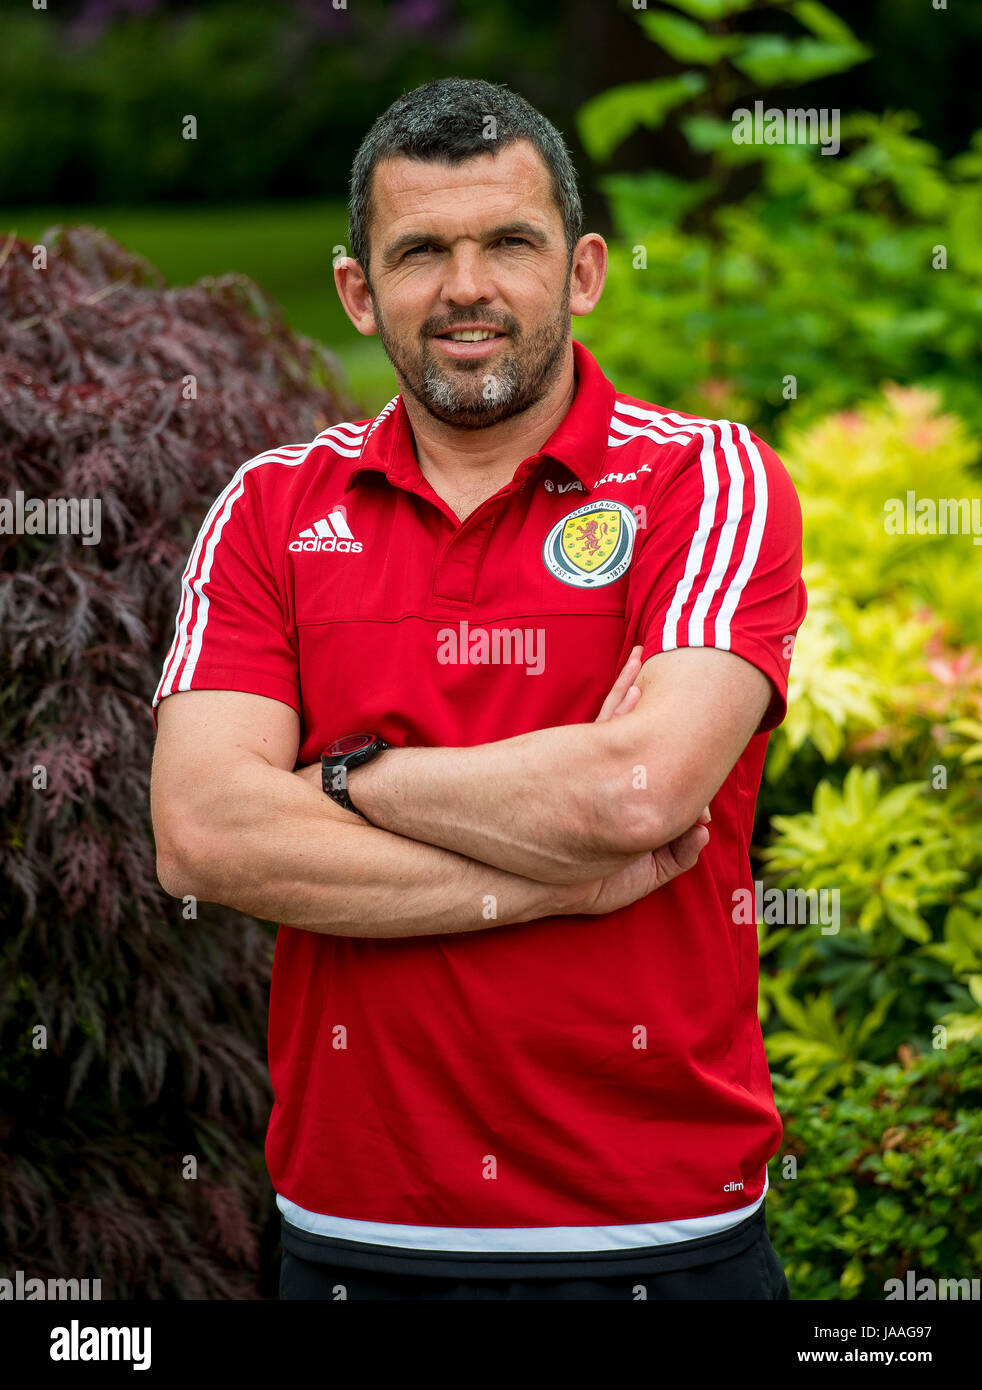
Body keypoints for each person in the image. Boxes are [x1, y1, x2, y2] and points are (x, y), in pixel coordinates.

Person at [149, 77, 806, 1301]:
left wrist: (343, 772)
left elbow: (636, 791)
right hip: (354, 1234)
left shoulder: (706, 481)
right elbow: (202, 834)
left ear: (583, 270)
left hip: (654, 1239)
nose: (467, 287)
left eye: (510, 242)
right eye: (420, 251)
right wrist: (561, 880)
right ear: (358, 292)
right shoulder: (273, 507)